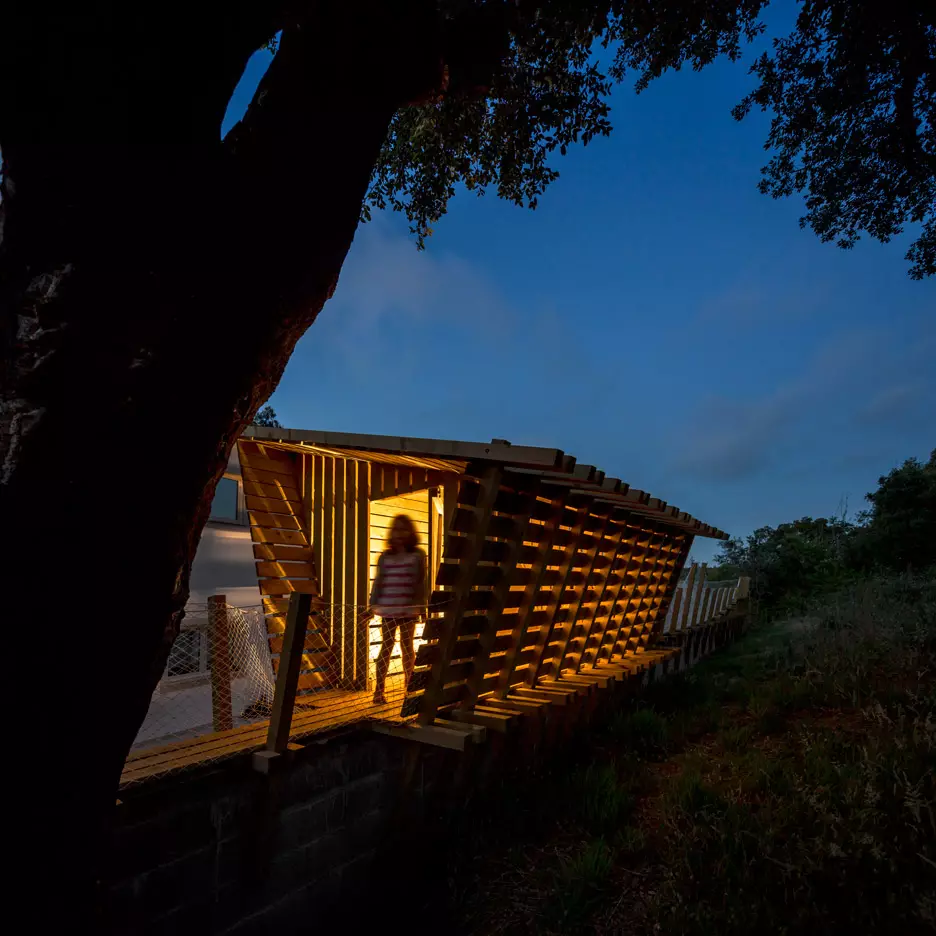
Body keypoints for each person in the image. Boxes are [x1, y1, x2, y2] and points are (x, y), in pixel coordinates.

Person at [369, 513, 427, 705]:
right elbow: (378, 583)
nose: (399, 533)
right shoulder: (385, 557)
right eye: (396, 529)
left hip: (408, 609)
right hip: (388, 609)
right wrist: (371, 606)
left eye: (404, 529)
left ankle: (408, 690)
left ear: (410, 532)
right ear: (391, 533)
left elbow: (420, 584)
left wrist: (423, 606)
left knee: (407, 647)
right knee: (386, 648)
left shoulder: (417, 555)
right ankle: (379, 692)